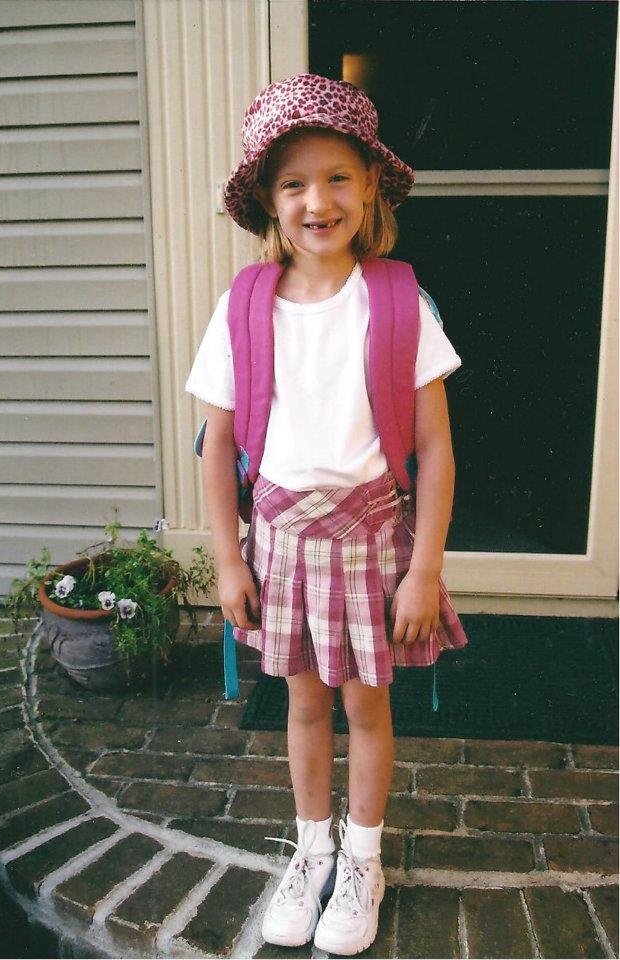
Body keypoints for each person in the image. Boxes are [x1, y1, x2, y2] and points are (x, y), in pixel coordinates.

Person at [185, 73, 468, 957]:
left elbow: (435, 449)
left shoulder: (398, 302)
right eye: (295, 182)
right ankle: (311, 852)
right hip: (278, 544)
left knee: (366, 708)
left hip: (372, 539)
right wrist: (227, 560)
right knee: (303, 706)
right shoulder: (242, 309)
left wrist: (424, 569)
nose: (319, 199)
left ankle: (363, 859)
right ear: (271, 201)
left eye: (339, 177)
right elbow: (217, 444)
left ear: (371, 187)